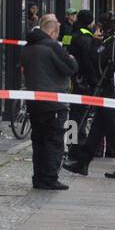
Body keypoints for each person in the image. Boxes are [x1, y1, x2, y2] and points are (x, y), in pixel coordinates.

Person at [64, 13, 115, 180]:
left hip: (109, 89)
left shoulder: (112, 43)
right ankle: (83, 162)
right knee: (96, 129)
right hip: (109, 89)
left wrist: (97, 43)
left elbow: (98, 58)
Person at [21, 14, 78, 190]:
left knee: (38, 141)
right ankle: (50, 178)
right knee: (53, 141)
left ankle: (39, 177)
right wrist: (72, 58)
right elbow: (71, 68)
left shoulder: (28, 46)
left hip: (34, 101)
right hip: (53, 100)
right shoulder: (52, 46)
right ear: (53, 31)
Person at [65, 10, 98, 152]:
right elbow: (88, 62)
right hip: (82, 80)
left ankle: (71, 142)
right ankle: (78, 144)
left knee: (73, 113)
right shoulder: (86, 37)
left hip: (71, 78)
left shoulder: (69, 34)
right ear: (89, 22)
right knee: (81, 114)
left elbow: (64, 51)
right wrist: (94, 81)